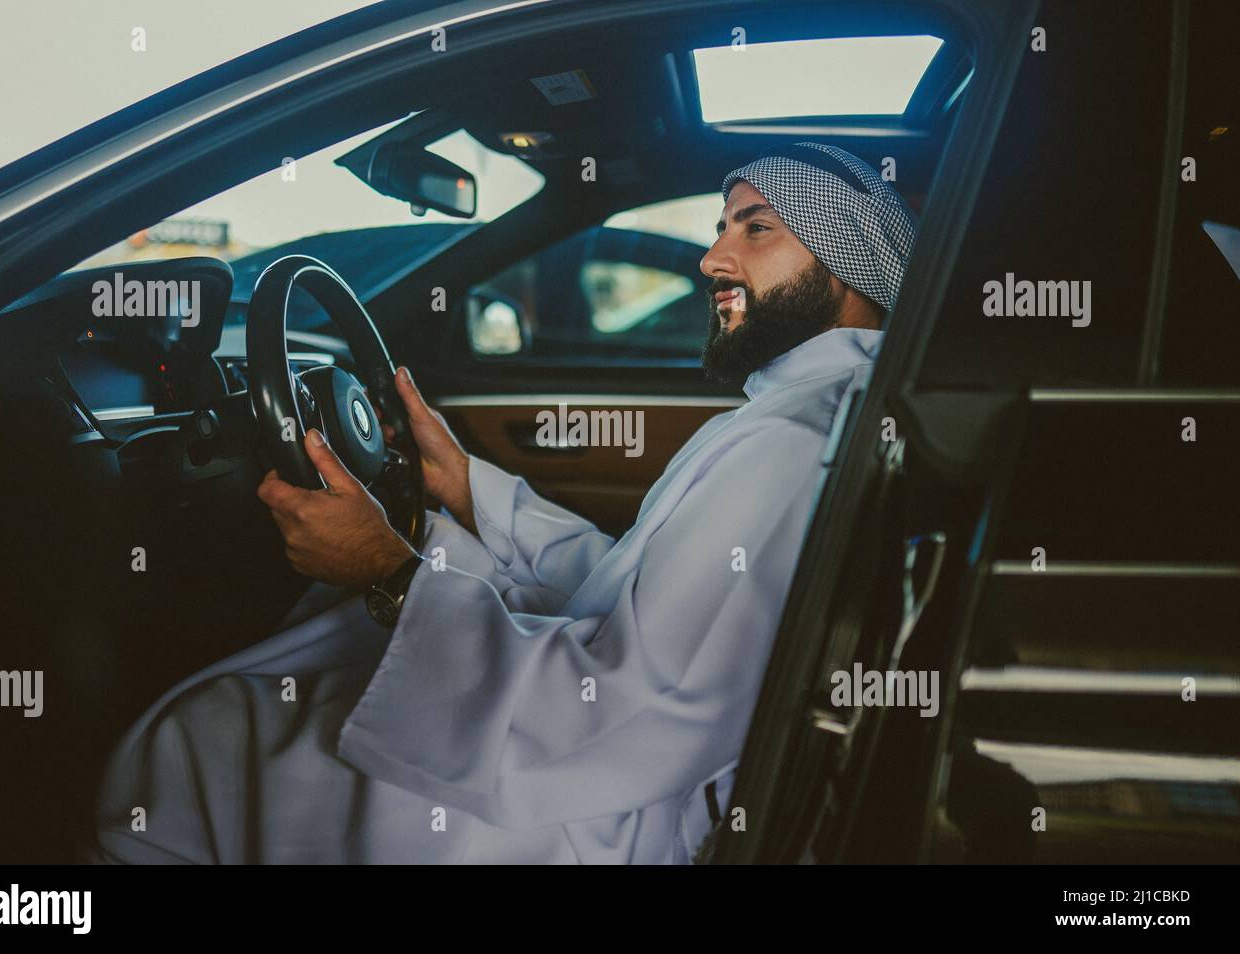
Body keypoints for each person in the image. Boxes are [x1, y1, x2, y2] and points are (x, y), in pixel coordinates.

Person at [91, 142, 916, 864]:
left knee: (209, 737)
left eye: (756, 228)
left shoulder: (796, 437)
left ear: (844, 264)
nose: (711, 257)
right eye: (720, 227)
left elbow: (632, 703)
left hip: (602, 821)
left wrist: (389, 572)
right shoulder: (801, 407)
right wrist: (468, 486)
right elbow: (637, 598)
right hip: (615, 783)